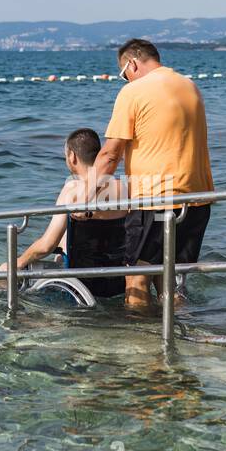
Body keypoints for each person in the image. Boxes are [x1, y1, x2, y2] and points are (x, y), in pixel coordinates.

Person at [93, 39, 213, 308]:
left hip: (155, 199)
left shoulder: (134, 91)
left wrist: (88, 195)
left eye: (123, 75)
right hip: (197, 199)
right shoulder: (189, 86)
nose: (125, 81)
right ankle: (179, 335)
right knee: (168, 280)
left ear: (132, 63)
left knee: (136, 278)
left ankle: (141, 342)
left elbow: (110, 154)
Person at [0, 128, 128, 299]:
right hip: (119, 283)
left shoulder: (72, 190)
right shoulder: (123, 187)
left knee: (4, 271)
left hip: (82, 286)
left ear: (72, 157)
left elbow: (46, 246)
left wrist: (18, 262)